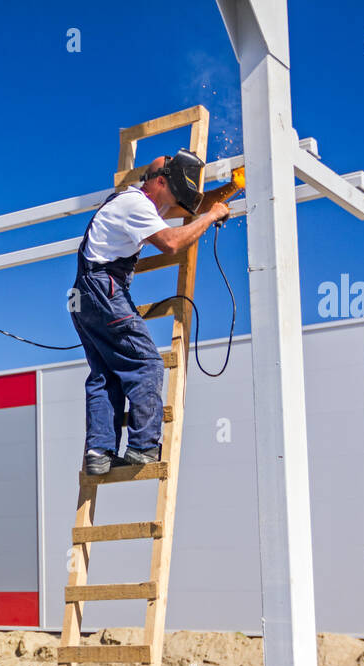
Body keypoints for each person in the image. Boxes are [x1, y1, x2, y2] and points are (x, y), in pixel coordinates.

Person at [69, 150, 230, 475]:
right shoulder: (139, 205)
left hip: (81, 296)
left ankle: (99, 453)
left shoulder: (128, 202)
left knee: (106, 375)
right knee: (146, 364)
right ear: (159, 182)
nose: (172, 208)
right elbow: (171, 243)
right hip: (103, 290)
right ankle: (143, 447)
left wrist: (232, 188)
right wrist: (211, 217)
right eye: (172, 197)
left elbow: (193, 206)